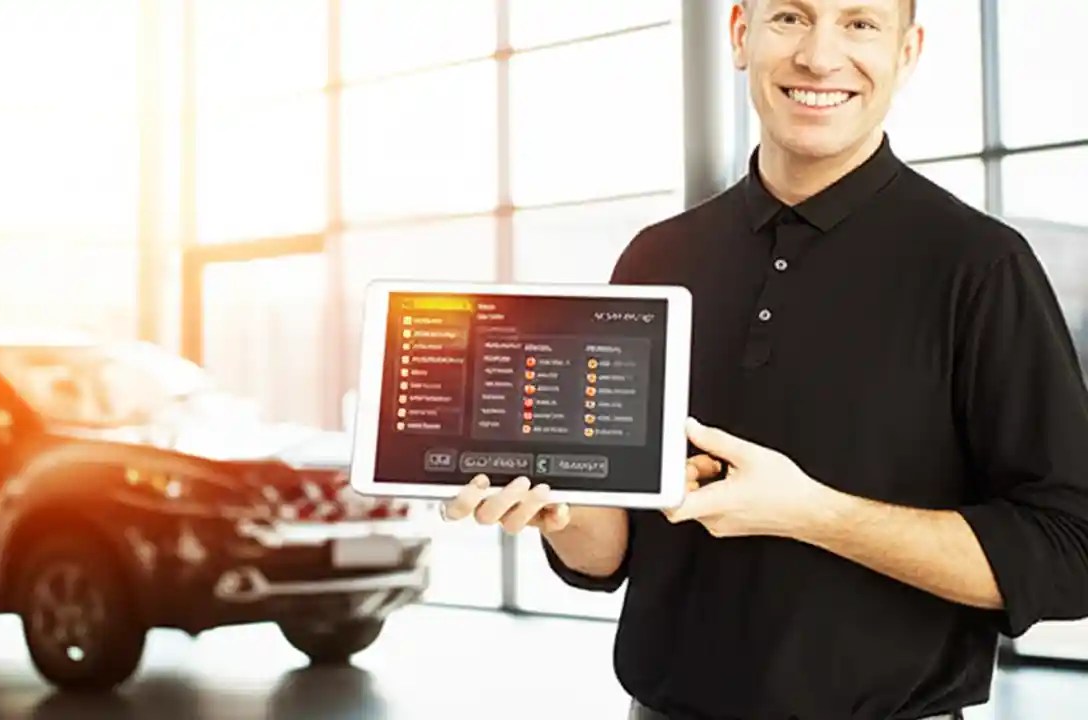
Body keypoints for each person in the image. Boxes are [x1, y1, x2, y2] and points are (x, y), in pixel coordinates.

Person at [441, 1, 1088, 718]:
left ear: (907, 54)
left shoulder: (979, 265)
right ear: (741, 34)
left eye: (860, 24)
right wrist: (559, 510)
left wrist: (812, 513)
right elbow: (614, 554)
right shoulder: (655, 257)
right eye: (790, 17)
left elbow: (1069, 552)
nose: (819, 56)